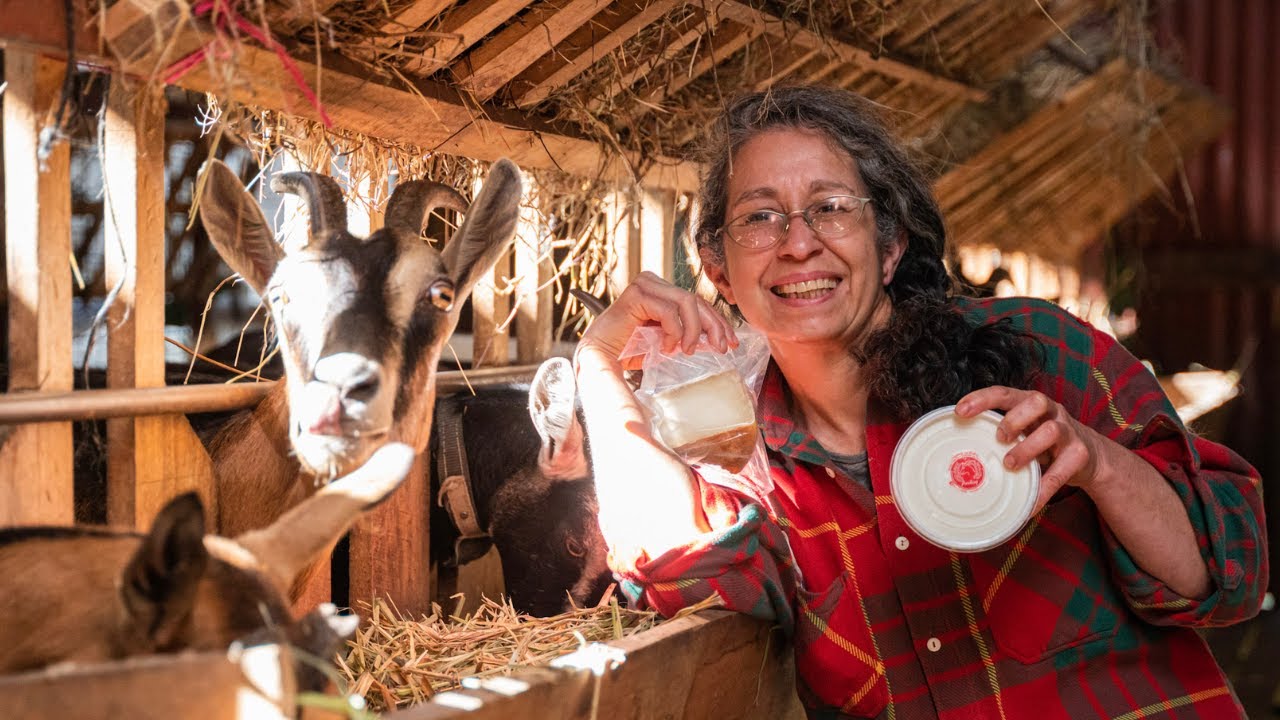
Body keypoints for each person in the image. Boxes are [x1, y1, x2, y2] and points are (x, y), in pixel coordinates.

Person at [573, 85, 1267, 719]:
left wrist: (1100, 468)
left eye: (831, 208)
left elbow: (1229, 574)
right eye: (760, 218)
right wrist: (598, 362)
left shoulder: (1037, 352)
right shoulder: (743, 466)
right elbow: (682, 571)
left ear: (892, 244)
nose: (798, 243)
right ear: (720, 269)